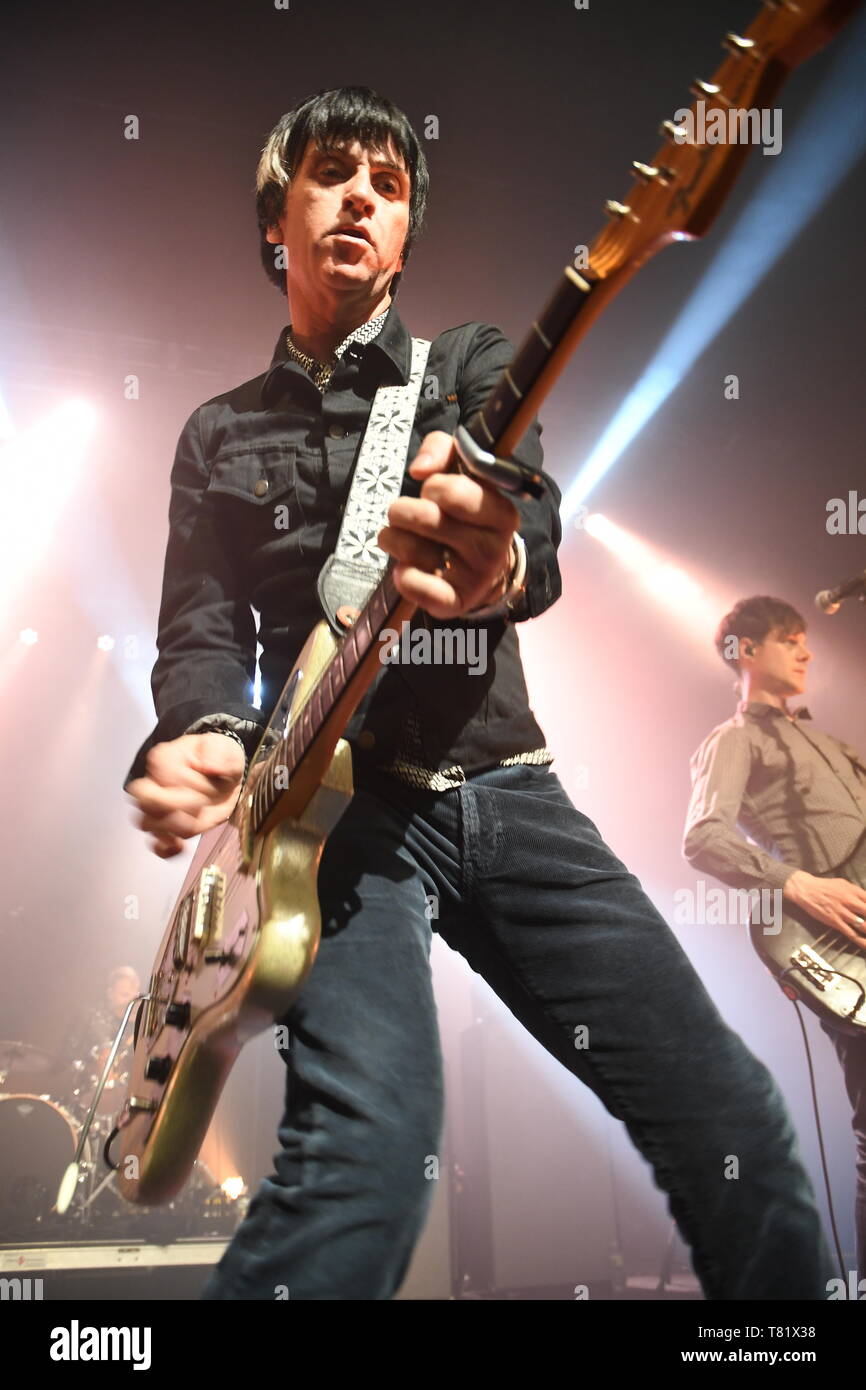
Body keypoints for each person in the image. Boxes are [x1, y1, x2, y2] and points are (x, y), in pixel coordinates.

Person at [125, 86, 833, 1300]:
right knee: (366, 1158)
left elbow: (530, 525)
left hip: (509, 792)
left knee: (733, 1122)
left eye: (388, 186)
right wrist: (197, 735)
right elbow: (199, 634)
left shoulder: (464, 368)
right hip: (335, 827)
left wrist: (492, 558)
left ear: (402, 237)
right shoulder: (215, 434)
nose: (360, 196)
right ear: (274, 224)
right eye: (332, 173)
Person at [684, 595, 866, 1279]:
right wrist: (797, 884)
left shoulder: (832, 744)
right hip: (829, 941)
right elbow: (701, 838)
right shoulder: (736, 739)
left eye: (805, 640)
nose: (807, 651)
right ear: (746, 652)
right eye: (791, 639)